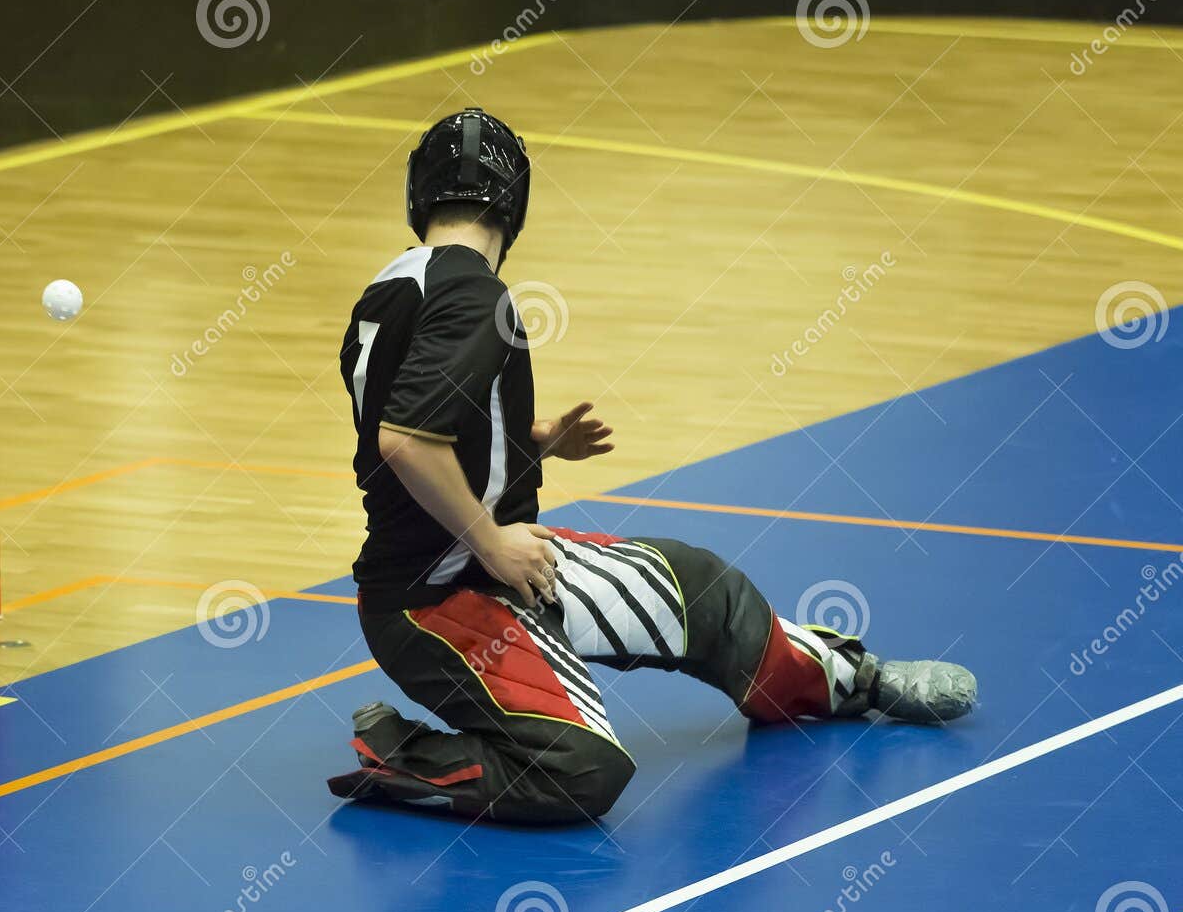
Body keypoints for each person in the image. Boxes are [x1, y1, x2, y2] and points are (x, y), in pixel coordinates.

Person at [330, 108, 977, 825]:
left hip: (494, 569)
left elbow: (425, 423)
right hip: (437, 600)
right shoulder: (473, 292)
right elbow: (405, 442)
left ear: (420, 195)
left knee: (704, 592)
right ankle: (398, 751)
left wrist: (531, 439)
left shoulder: (392, 287)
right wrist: (490, 541)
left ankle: (857, 679)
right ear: (516, 204)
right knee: (581, 769)